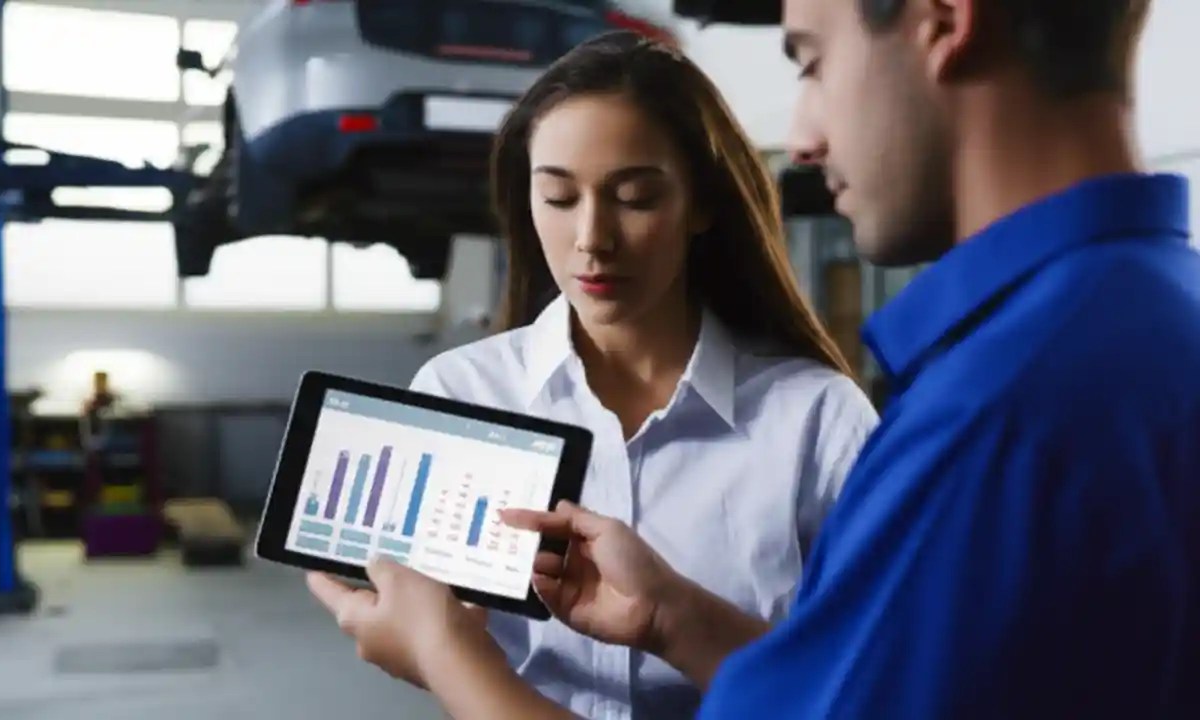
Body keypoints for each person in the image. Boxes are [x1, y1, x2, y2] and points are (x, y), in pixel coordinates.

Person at [310, 0, 1200, 717]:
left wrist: (445, 655)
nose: (804, 137)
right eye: (558, 196)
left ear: (943, 20)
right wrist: (669, 616)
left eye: (810, 60)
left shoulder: (996, 410)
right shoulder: (1143, 322)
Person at [315, 29, 877, 720]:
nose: (592, 239)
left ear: (701, 203)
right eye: (558, 198)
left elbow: (865, 686)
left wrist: (443, 654)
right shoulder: (462, 396)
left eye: (635, 197)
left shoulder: (819, 422)